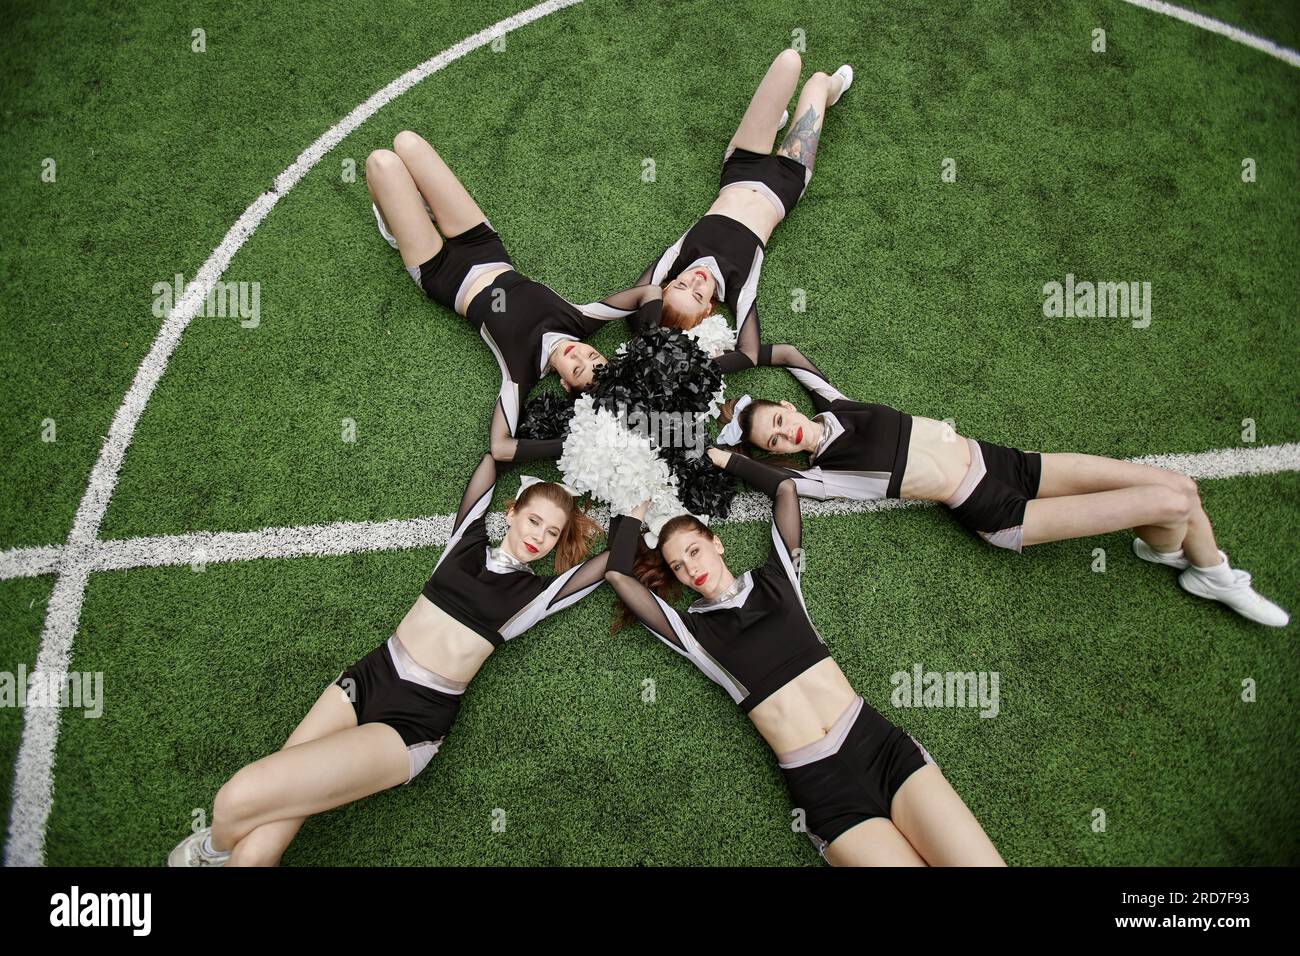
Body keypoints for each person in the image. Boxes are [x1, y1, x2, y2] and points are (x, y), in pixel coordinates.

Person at [168, 454, 609, 865]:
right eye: (533, 520)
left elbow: (613, 561)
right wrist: (548, 443)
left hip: (412, 724)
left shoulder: (534, 596)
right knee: (265, 835)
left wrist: (640, 488)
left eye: (552, 532)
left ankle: (209, 850)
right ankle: (220, 855)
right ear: (511, 513)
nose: (538, 537)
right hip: (368, 678)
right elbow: (495, 456)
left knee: (235, 800)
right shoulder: (463, 545)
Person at [604, 449, 1006, 865]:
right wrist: (638, 506)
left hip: (878, 747)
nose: (691, 569)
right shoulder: (694, 633)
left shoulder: (779, 578)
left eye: (693, 551)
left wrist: (723, 459)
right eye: (678, 566)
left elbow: (785, 489)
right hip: (823, 788)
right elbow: (618, 575)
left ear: (716, 542)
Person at [716, 350, 1289, 626]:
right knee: (1175, 500)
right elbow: (772, 483)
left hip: (1010, 462)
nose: (784, 435)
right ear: (779, 454)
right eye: (774, 442)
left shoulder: (836, 404)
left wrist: (724, 366)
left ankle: (1165, 549)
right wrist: (719, 454)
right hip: (997, 509)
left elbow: (788, 354)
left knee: (1182, 487)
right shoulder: (820, 474)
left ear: (788, 406)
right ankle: (1208, 573)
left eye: (777, 422)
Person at [367, 130, 663, 462]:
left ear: (565, 385)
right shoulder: (583, 319)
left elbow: (501, 447)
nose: (577, 355)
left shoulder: (520, 372)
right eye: (592, 356)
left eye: (576, 369)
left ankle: (397, 227)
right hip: (481, 246)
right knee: (408, 142)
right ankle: (417, 211)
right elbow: (650, 293)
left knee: (382, 162)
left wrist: (578, 445)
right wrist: (647, 346)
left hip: (440, 273)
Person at [635, 50, 853, 374]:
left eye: (680, 286)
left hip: (743, 164)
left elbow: (640, 299)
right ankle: (829, 90)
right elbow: (749, 353)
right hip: (786, 182)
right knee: (818, 82)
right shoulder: (739, 290)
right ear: (709, 309)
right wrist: (698, 368)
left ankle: (773, 118)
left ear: (667, 284)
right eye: (696, 295)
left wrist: (654, 345)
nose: (694, 281)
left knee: (790, 60)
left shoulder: (678, 257)